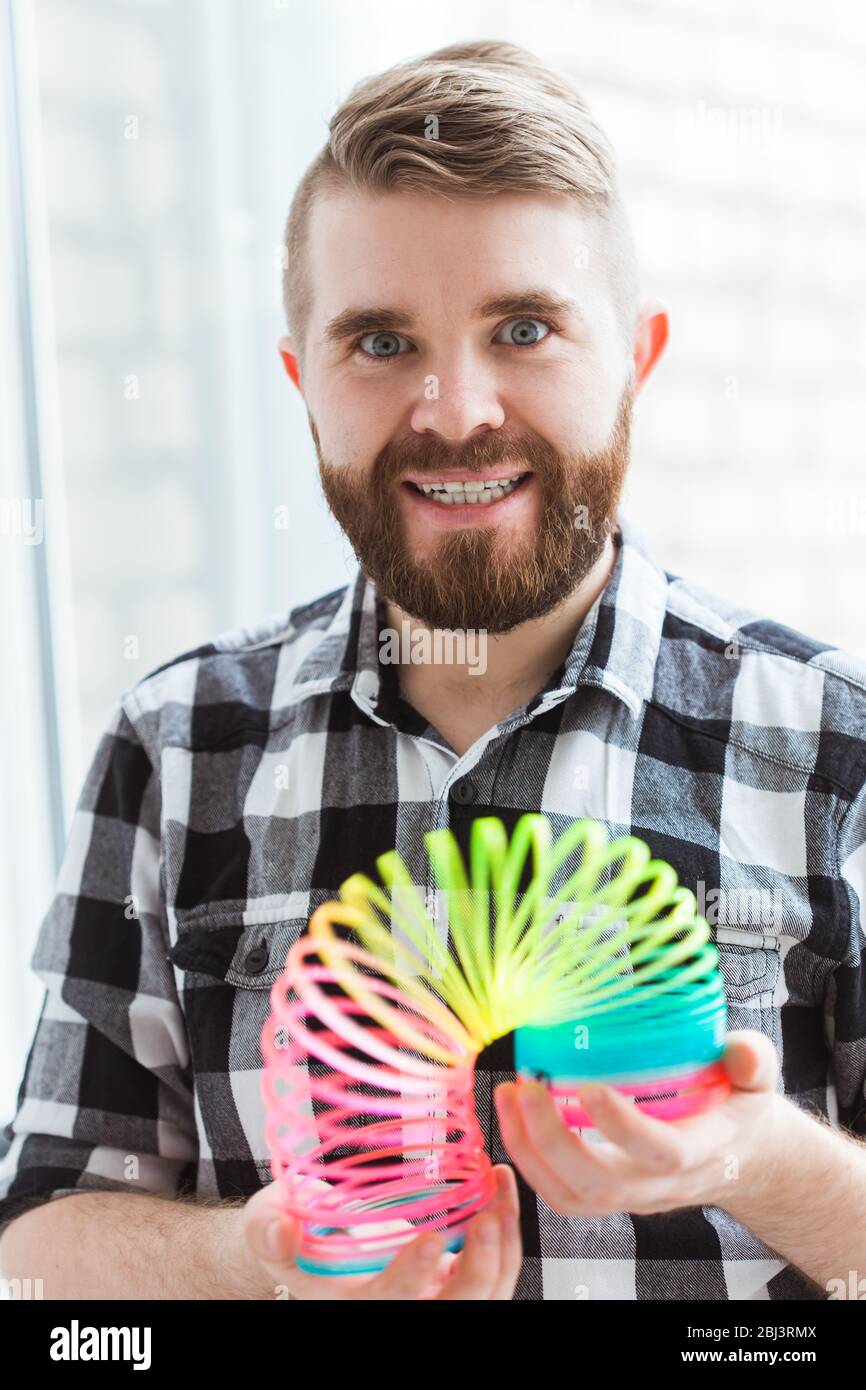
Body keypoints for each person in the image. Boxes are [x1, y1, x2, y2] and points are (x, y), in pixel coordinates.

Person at [2, 38, 865, 1303]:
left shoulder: (833, 744)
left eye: (522, 328)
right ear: (303, 385)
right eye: (379, 342)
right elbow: (40, 1253)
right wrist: (253, 1260)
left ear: (635, 355)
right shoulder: (176, 748)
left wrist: (759, 1153)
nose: (454, 409)